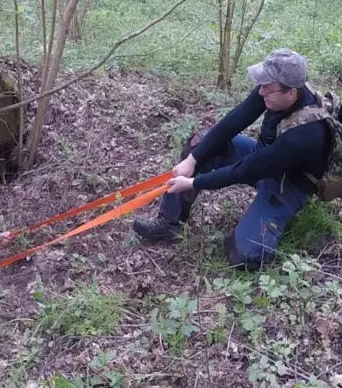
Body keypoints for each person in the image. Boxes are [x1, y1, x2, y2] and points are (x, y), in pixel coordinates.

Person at [132, 48, 331, 270]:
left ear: (291, 93)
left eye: (268, 88)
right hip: (263, 157)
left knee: (245, 257)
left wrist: (193, 182)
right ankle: (168, 224)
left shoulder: (305, 134)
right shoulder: (273, 92)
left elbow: (246, 170)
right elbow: (236, 120)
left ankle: (270, 224)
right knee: (201, 144)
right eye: (262, 85)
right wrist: (193, 159)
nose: (261, 92)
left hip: (288, 185)